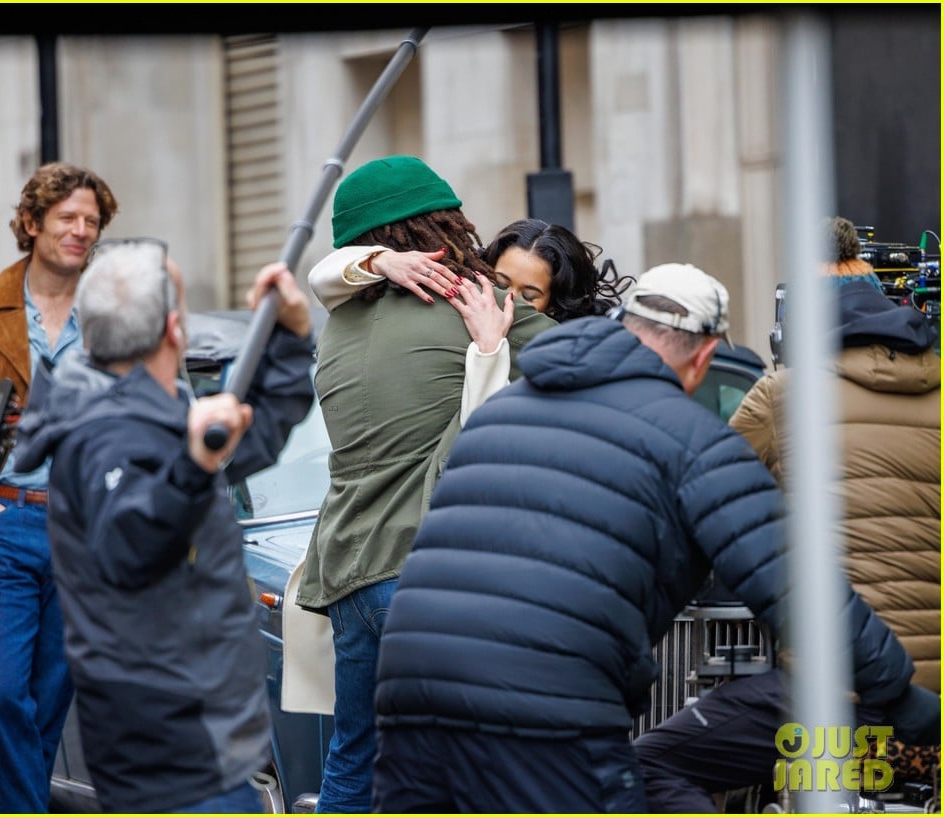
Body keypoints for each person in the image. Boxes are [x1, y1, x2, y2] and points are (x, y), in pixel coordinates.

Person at [371, 262, 940, 812]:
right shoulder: (694, 441)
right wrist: (895, 691)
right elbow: (794, 584)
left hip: (409, 685)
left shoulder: (498, 414)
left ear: (623, 326)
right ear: (705, 356)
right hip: (548, 696)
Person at [633, 217, 941, 811]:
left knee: (647, 765)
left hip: (832, 695)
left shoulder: (783, 395)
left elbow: (701, 501)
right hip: (932, 703)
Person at [9, 239, 316, 813]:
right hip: (167, 748)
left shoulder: (154, 409)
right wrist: (193, 464)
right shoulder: (102, 431)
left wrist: (293, 336)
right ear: (175, 330)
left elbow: (261, 431)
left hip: (202, 736)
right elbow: (129, 545)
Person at [293, 155, 559, 812]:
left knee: (354, 758)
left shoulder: (338, 322)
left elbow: (325, 273)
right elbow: (586, 358)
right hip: (429, 574)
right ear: (439, 223)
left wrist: (376, 261)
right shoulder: (471, 298)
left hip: (348, 576)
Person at [0, 162, 119, 813]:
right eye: (68, 217)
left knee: (47, 700)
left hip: (82, 530)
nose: (81, 230)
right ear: (32, 223)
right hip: (0, 522)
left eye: (91, 220)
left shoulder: (115, 311)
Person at [308, 217, 634, 419]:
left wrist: (489, 352)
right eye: (501, 283)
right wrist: (381, 261)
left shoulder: (564, 359)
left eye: (529, 295)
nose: (508, 300)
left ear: (554, 305)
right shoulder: (458, 313)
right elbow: (322, 279)